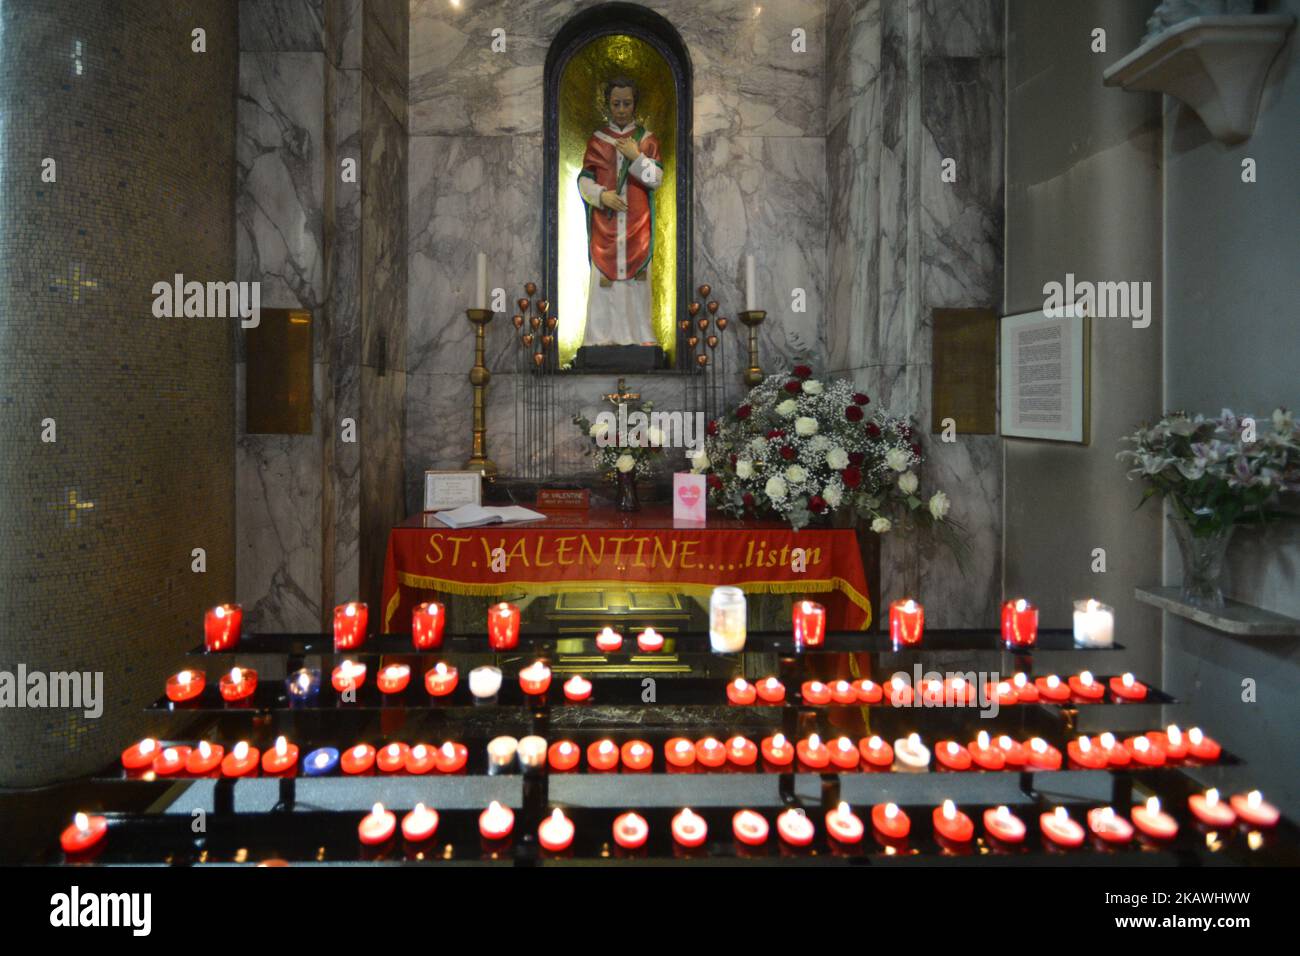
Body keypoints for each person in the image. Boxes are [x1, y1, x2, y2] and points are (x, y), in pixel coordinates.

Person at [576, 75, 663, 347]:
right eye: (616, 104)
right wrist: (602, 196)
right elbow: (583, 180)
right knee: (605, 285)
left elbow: (656, 179)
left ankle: (639, 336)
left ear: (635, 104)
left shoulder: (647, 140)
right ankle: (601, 339)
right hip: (607, 227)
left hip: (637, 226)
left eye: (627, 103)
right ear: (608, 105)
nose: (622, 109)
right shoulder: (598, 140)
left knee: (637, 284)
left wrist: (637, 157)